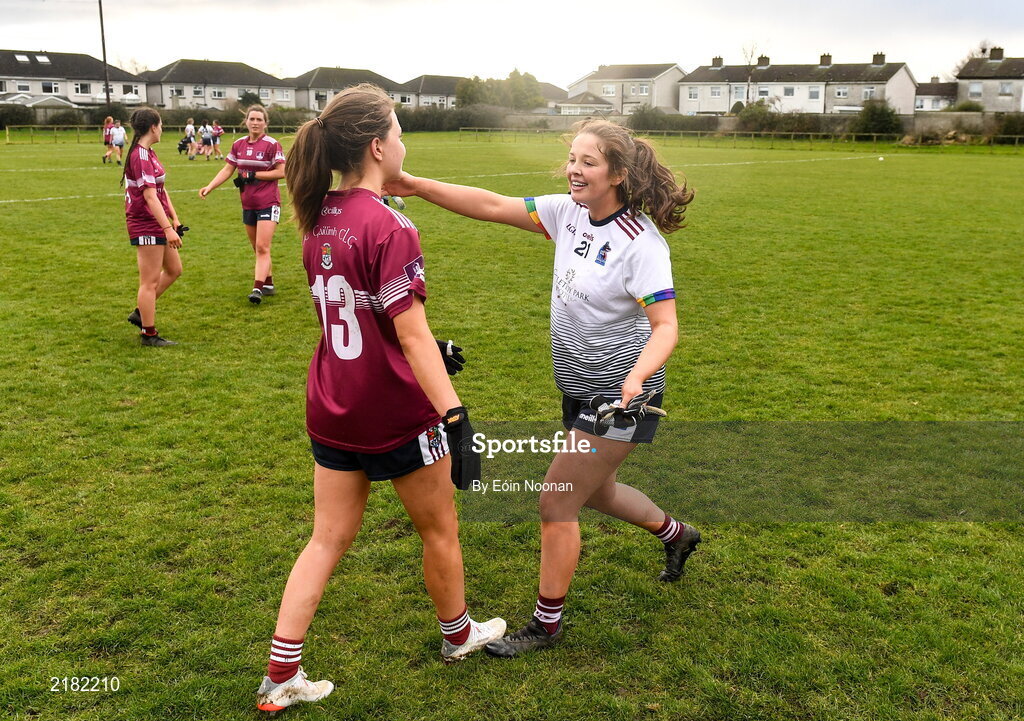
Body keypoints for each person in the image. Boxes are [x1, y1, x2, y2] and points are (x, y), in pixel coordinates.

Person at [383, 119, 701, 658]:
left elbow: (666, 325)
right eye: (572, 159)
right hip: (579, 387)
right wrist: (415, 185)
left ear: (619, 174)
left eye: (589, 162)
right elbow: (491, 204)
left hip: (621, 399)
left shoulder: (641, 244)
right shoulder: (567, 213)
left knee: (557, 500)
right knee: (595, 491)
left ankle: (546, 624)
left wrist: (638, 376)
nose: (575, 170)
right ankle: (677, 534)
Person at [255, 83, 503, 714]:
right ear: (376, 145)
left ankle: (281, 674)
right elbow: (410, 335)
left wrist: (421, 347)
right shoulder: (392, 224)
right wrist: (457, 416)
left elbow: (366, 319)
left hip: (332, 400)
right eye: (397, 131)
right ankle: (459, 636)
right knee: (439, 528)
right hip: (394, 411)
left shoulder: (319, 214)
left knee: (326, 538)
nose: (403, 141)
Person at [199, 105, 285, 304]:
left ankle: (257, 289)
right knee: (257, 247)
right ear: (246, 121)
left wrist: (255, 175)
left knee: (263, 246)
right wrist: (210, 186)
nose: (255, 123)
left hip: (268, 202)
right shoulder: (238, 144)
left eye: (259, 120)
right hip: (247, 203)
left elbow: (282, 172)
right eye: (252, 119)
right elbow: (228, 169)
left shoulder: (272, 144)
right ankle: (269, 283)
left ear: (266, 123)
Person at [121, 107, 183, 347]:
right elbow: (148, 196)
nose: (163, 128)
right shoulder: (140, 155)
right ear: (153, 127)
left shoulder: (150, 152)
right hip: (145, 223)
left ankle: (140, 312)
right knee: (149, 282)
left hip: (158, 220)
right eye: (161, 124)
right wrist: (166, 228)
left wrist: (174, 219)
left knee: (174, 269)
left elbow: (161, 190)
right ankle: (149, 334)